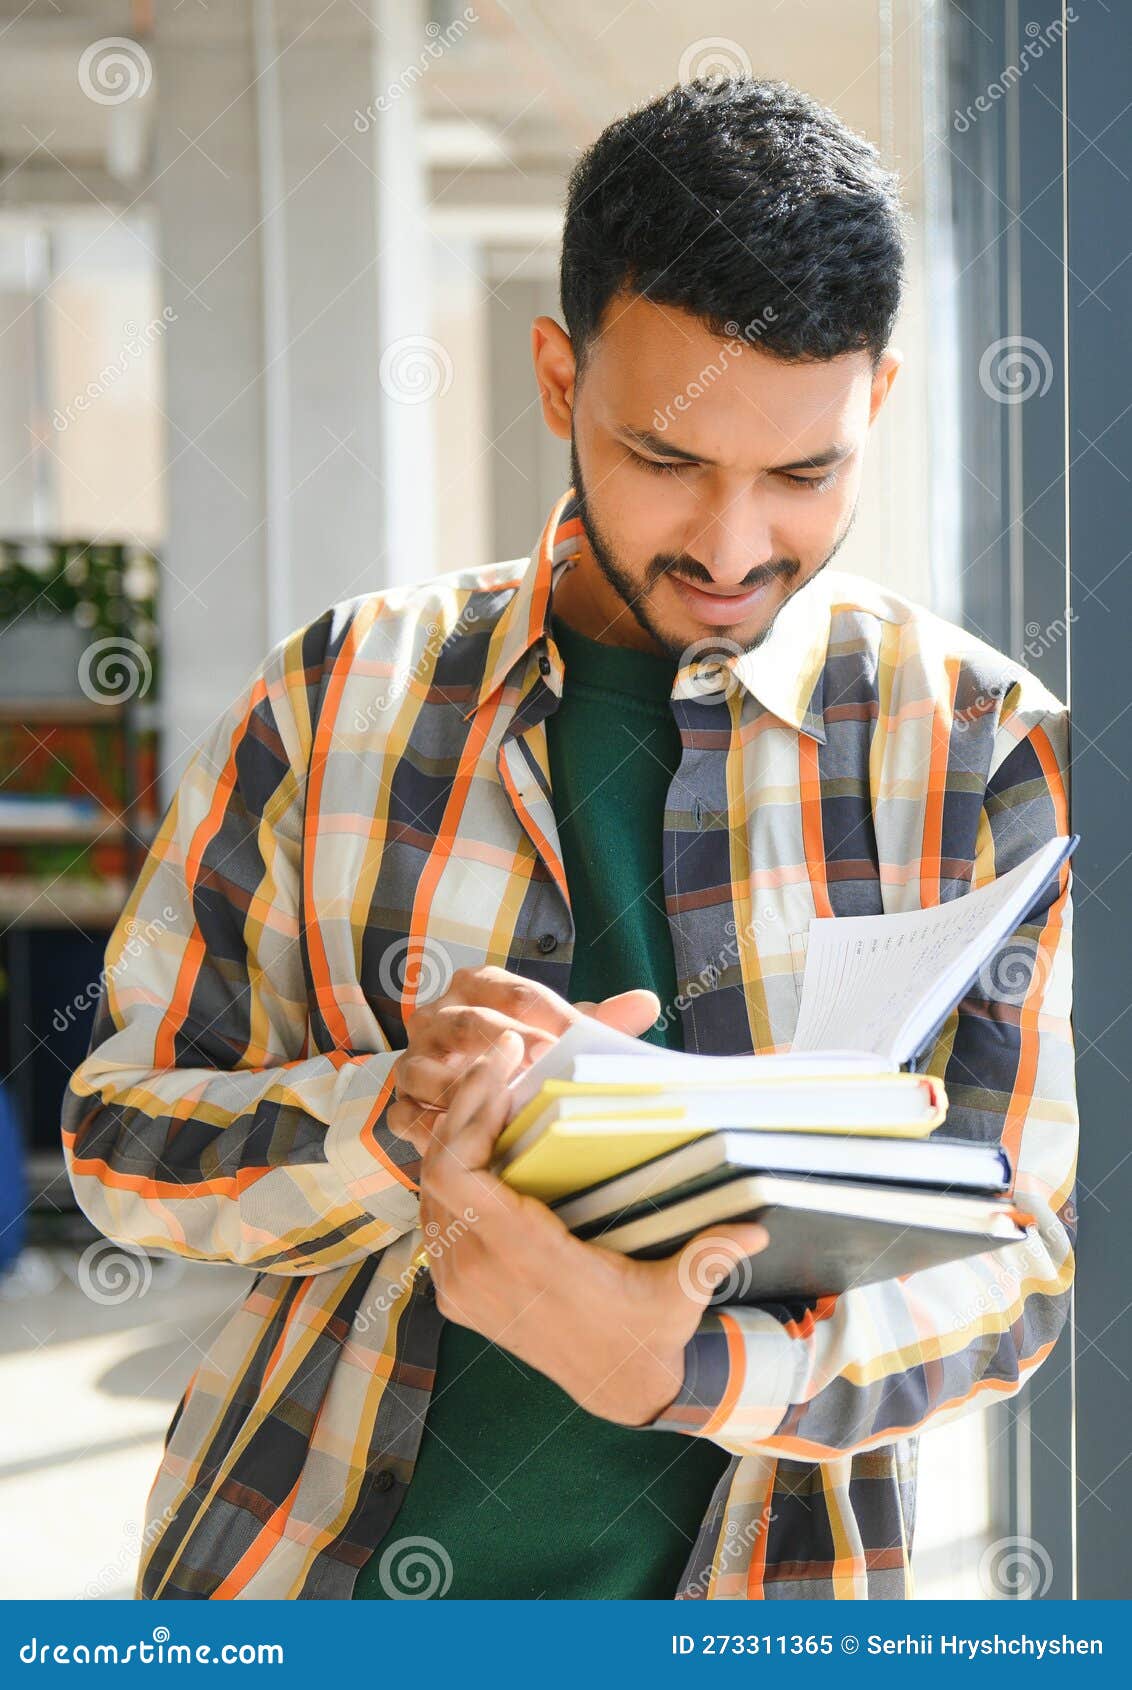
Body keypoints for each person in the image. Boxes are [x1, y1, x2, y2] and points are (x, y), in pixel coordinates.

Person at [61, 76, 1077, 1601]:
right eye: (667, 459)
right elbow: (120, 1138)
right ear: (557, 377)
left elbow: (1019, 1260)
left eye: (805, 474)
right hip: (287, 1586)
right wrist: (384, 1117)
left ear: (877, 396)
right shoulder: (339, 693)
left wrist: (694, 1367)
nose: (734, 546)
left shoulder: (980, 746)